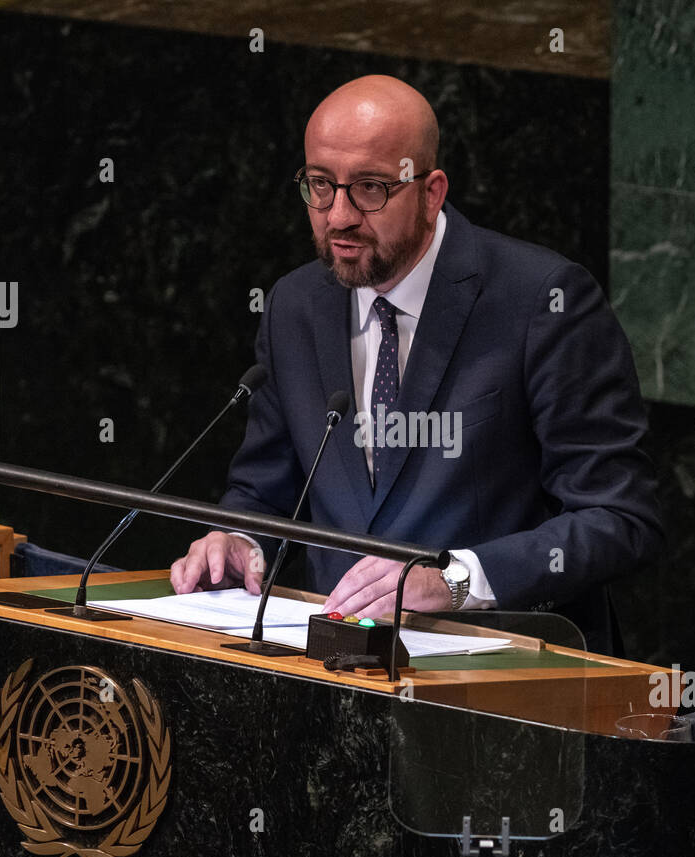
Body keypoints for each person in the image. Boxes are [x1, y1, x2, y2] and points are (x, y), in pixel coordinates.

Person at [170, 74, 662, 655]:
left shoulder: (542, 301)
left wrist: (455, 581)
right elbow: (265, 492)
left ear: (431, 191)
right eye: (320, 186)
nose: (339, 216)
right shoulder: (294, 306)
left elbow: (619, 517)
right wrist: (239, 540)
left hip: (502, 676)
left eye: (371, 189)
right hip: (335, 676)